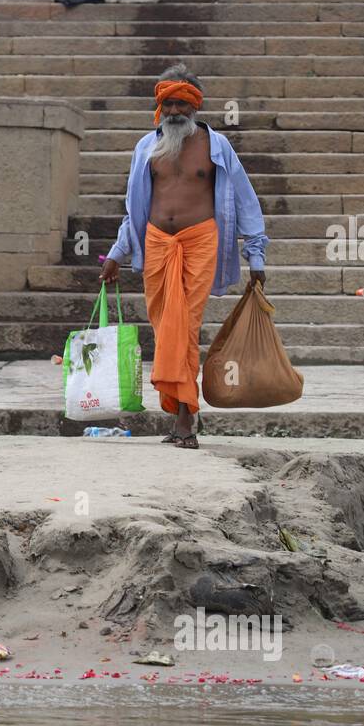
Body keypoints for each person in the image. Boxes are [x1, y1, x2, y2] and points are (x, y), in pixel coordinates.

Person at [100, 63, 269, 448]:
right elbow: (135, 209)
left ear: (195, 108)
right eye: (169, 104)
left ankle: (185, 418)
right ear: (161, 106)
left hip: (200, 241)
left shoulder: (217, 146)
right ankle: (180, 409)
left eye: (182, 105)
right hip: (158, 243)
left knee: (185, 327)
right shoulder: (146, 147)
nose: (175, 112)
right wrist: (116, 253)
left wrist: (256, 257)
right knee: (166, 329)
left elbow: (245, 201)